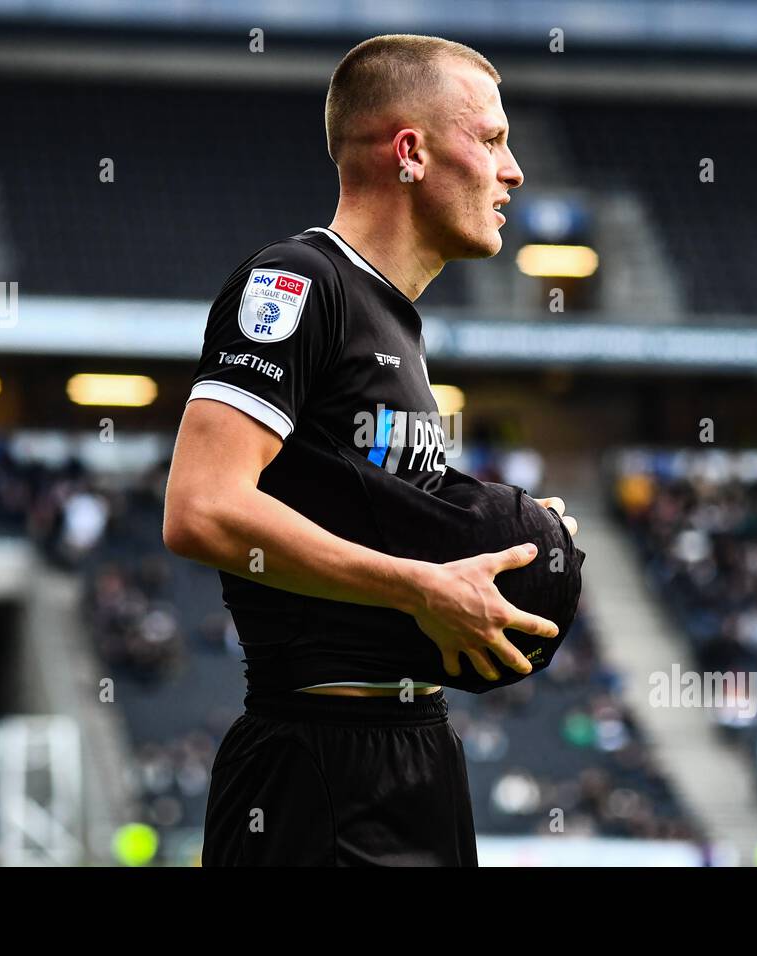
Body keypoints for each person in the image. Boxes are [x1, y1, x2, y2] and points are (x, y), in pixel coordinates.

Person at [163, 34, 580, 866]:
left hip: (418, 747)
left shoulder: (397, 320)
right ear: (411, 151)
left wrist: (507, 534)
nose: (514, 171)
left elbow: (359, 498)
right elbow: (201, 509)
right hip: (312, 761)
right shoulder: (293, 281)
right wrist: (423, 587)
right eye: (492, 140)